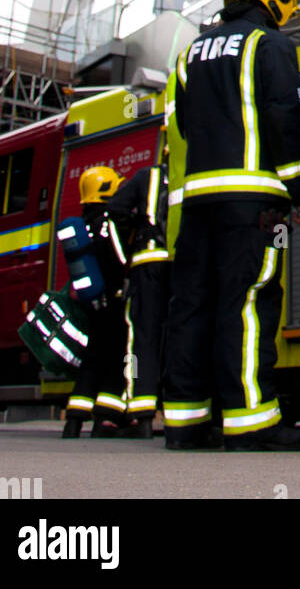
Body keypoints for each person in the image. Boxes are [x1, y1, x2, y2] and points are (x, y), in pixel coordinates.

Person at [162, 0, 300, 451]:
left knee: (192, 305)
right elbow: (283, 118)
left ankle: (186, 421)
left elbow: (185, 124)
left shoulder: (190, 53)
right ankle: (252, 422)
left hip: (199, 200)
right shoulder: (270, 45)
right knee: (248, 301)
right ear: (273, 3)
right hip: (254, 203)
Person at [62, 167, 130, 439]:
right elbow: (120, 257)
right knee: (117, 358)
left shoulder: (81, 225)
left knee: (92, 358)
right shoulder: (108, 222)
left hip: (92, 302)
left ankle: (74, 420)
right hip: (114, 299)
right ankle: (106, 419)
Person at [108, 161, 171, 437]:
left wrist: (126, 256)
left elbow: (114, 211)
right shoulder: (195, 170)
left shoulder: (148, 175)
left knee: (141, 338)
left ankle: (142, 413)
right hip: (183, 267)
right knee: (180, 338)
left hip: (147, 265)